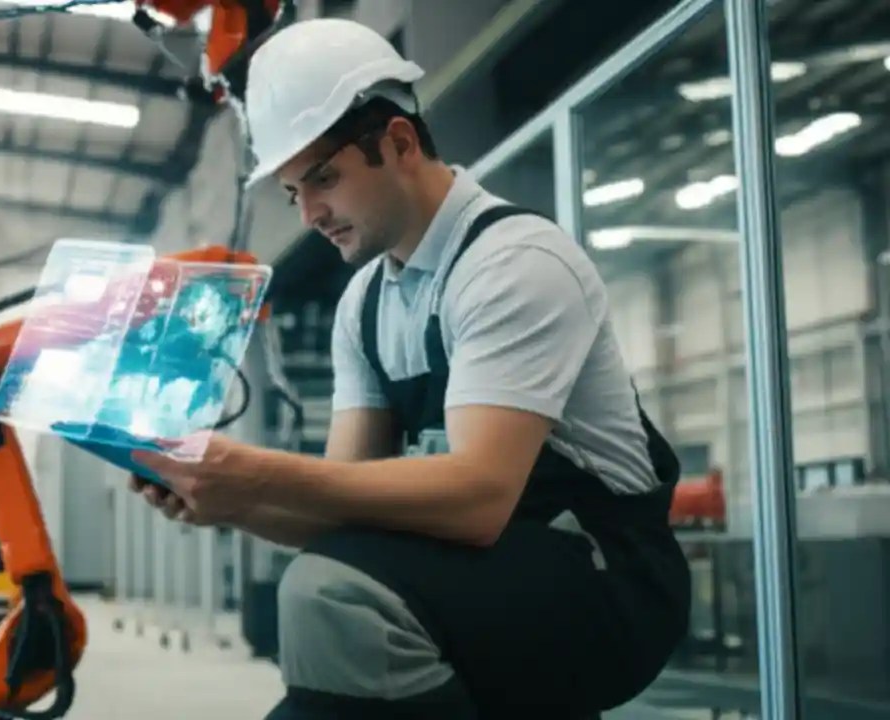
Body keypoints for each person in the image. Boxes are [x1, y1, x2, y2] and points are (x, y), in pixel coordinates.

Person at [126, 16, 692, 720]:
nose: (309, 214)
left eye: (323, 178)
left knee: (327, 596)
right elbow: (345, 510)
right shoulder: (365, 302)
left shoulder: (513, 264)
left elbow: (480, 497)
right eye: (293, 193)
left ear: (397, 142)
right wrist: (228, 501)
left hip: (609, 586)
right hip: (497, 569)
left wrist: (253, 471)